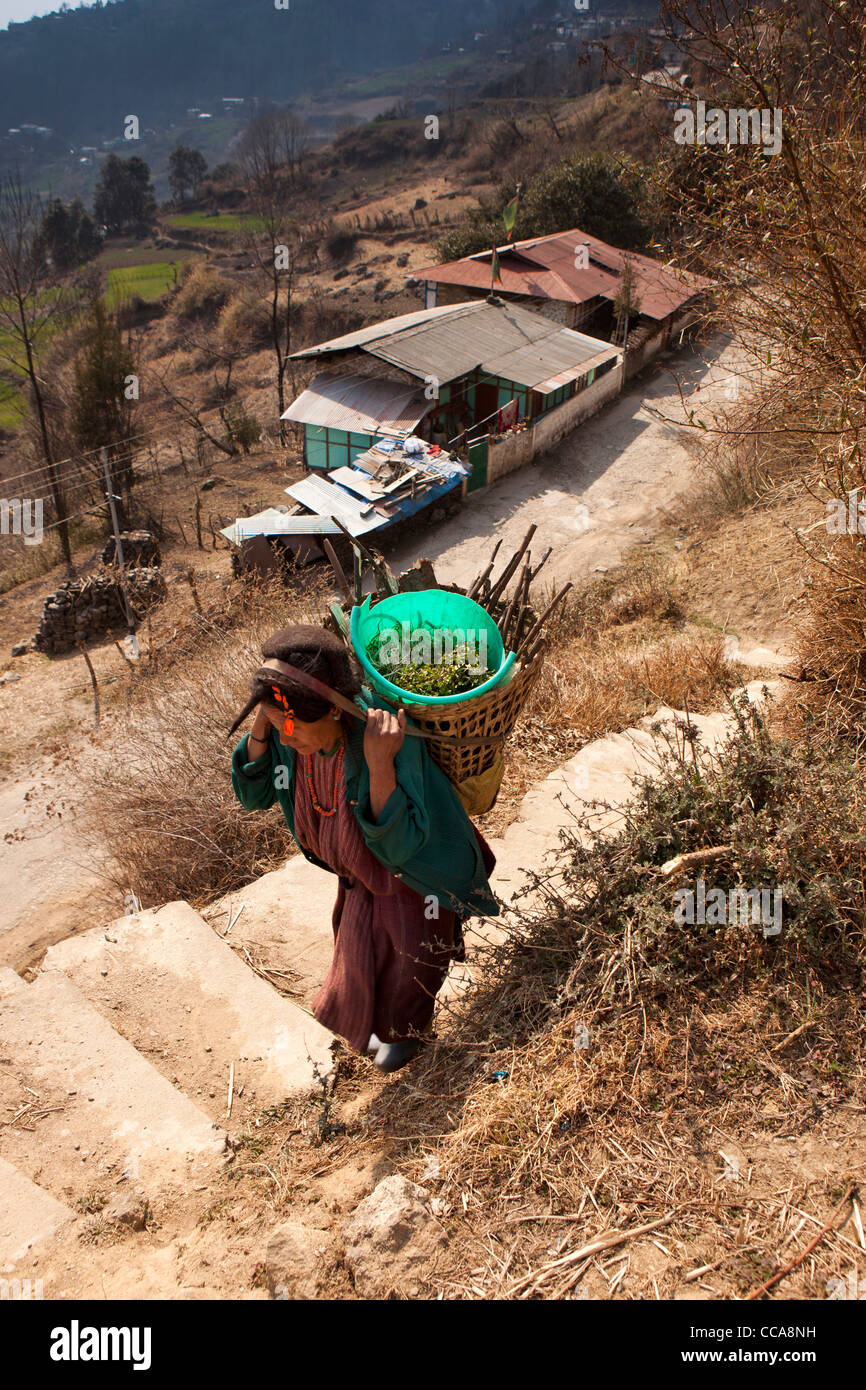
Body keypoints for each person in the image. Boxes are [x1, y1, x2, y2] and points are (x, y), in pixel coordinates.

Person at [229, 625, 498, 1073]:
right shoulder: (290, 729)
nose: (288, 737)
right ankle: (376, 1026)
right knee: (359, 955)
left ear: (332, 710)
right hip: (360, 875)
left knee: (414, 956)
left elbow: (404, 843)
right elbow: (252, 795)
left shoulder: (385, 735)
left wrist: (378, 766)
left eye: (292, 725)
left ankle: (407, 1034)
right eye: (280, 727)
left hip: (412, 874)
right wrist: (264, 724)